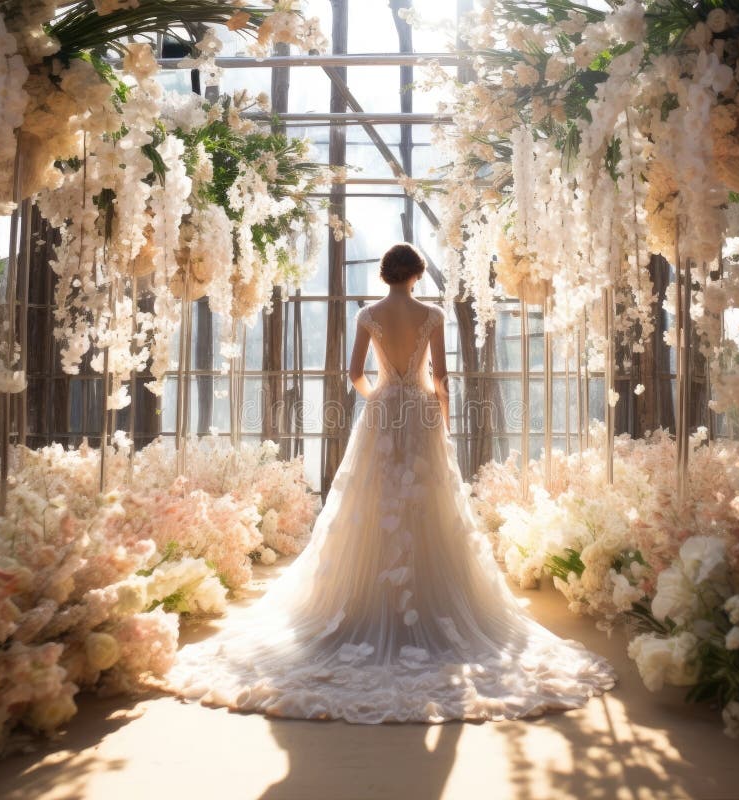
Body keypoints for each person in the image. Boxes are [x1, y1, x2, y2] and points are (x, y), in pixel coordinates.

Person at [162, 242, 615, 723]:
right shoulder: (432, 315)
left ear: (385, 274)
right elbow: (441, 377)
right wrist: (441, 416)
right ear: (417, 274)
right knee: (428, 505)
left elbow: (354, 373)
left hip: (382, 413)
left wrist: (378, 396)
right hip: (419, 412)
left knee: (372, 502)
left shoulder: (368, 315)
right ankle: (426, 603)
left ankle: (365, 603)